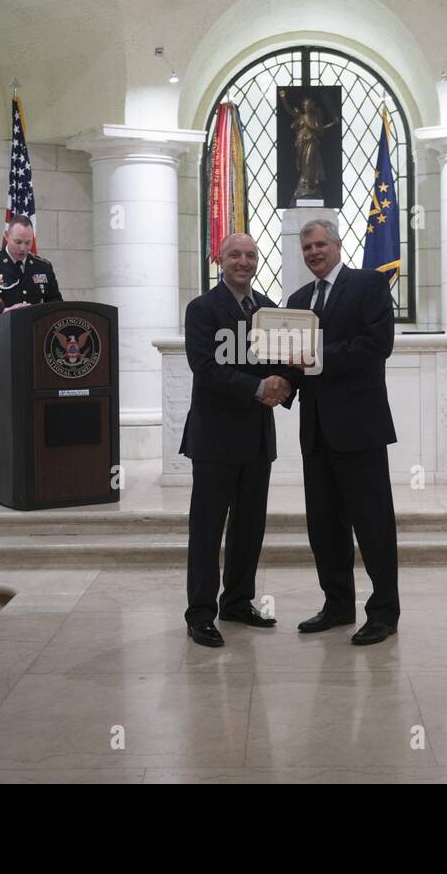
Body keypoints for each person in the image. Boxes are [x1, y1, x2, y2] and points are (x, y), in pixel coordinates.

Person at [284, 218, 400, 646]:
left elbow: (375, 345)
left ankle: (384, 612)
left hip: (361, 428)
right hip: (315, 432)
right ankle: (337, 605)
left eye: (320, 245)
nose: (314, 252)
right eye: (307, 247)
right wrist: (275, 386)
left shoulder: (369, 285)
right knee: (324, 526)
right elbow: (290, 360)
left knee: (373, 524)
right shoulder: (296, 301)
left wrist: (315, 357)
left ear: (337, 244)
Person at [180, 234, 292, 648]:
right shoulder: (202, 309)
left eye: (250, 256)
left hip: (257, 437)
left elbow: (283, 362)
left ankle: (238, 601)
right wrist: (257, 387)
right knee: (208, 528)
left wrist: (285, 384)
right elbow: (204, 366)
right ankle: (200, 614)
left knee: (249, 526)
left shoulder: (268, 309)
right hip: (214, 437)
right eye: (235, 255)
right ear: (220, 260)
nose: (243, 262)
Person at [0, 214, 62, 323]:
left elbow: (56, 303)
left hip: (36, 334)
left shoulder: (43, 267)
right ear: (6, 236)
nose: (23, 248)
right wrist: (3, 312)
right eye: (18, 242)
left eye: (28, 243)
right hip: (0, 334)